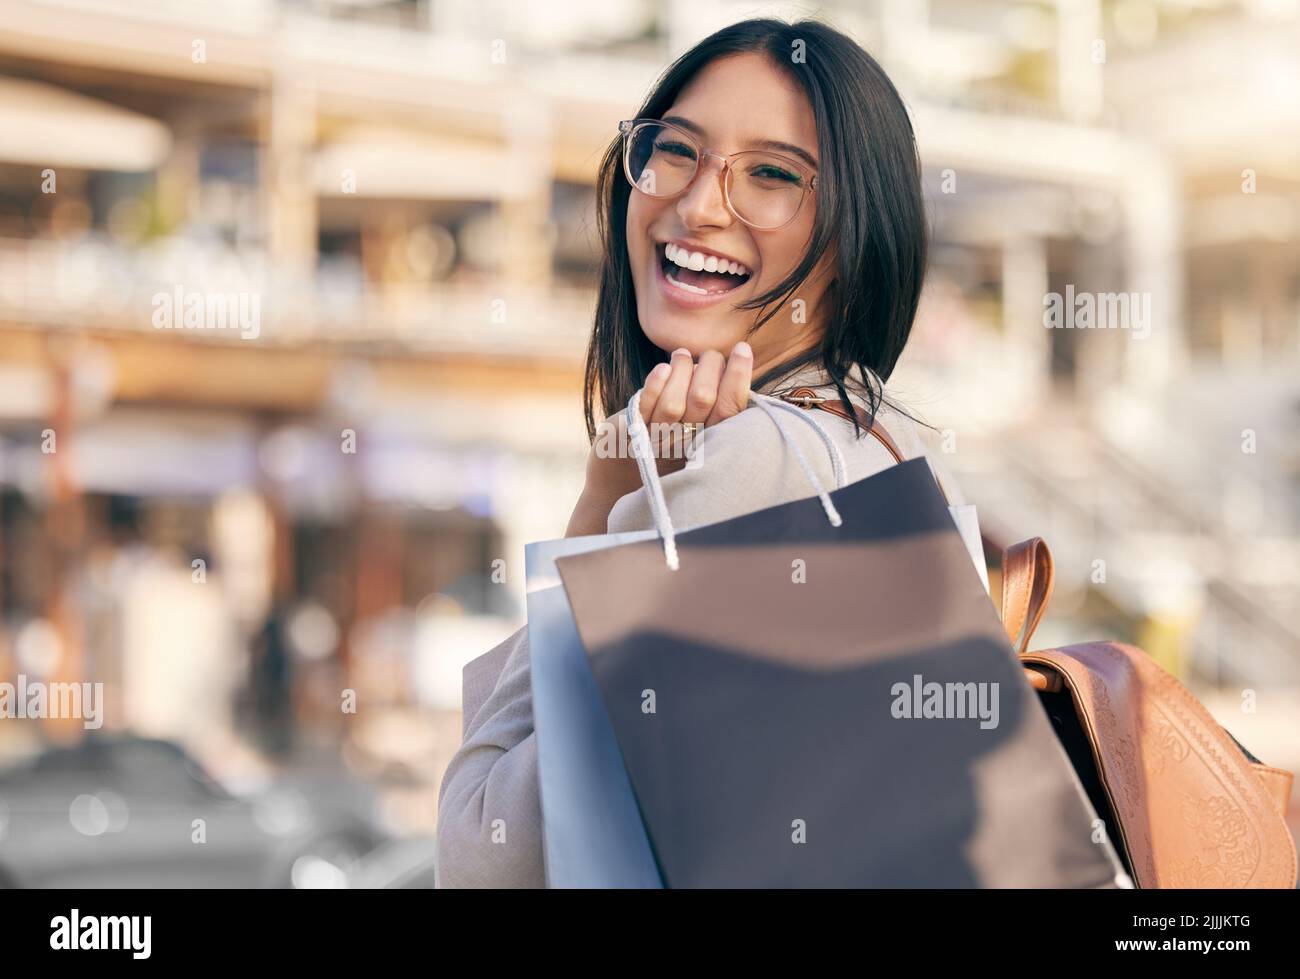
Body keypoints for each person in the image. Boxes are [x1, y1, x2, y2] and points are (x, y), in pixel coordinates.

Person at [436, 16, 967, 888]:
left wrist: (600, 511)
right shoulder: (884, 451)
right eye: (675, 151)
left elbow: (487, 853)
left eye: (770, 174)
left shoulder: (757, 465)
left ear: (854, 234)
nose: (697, 204)